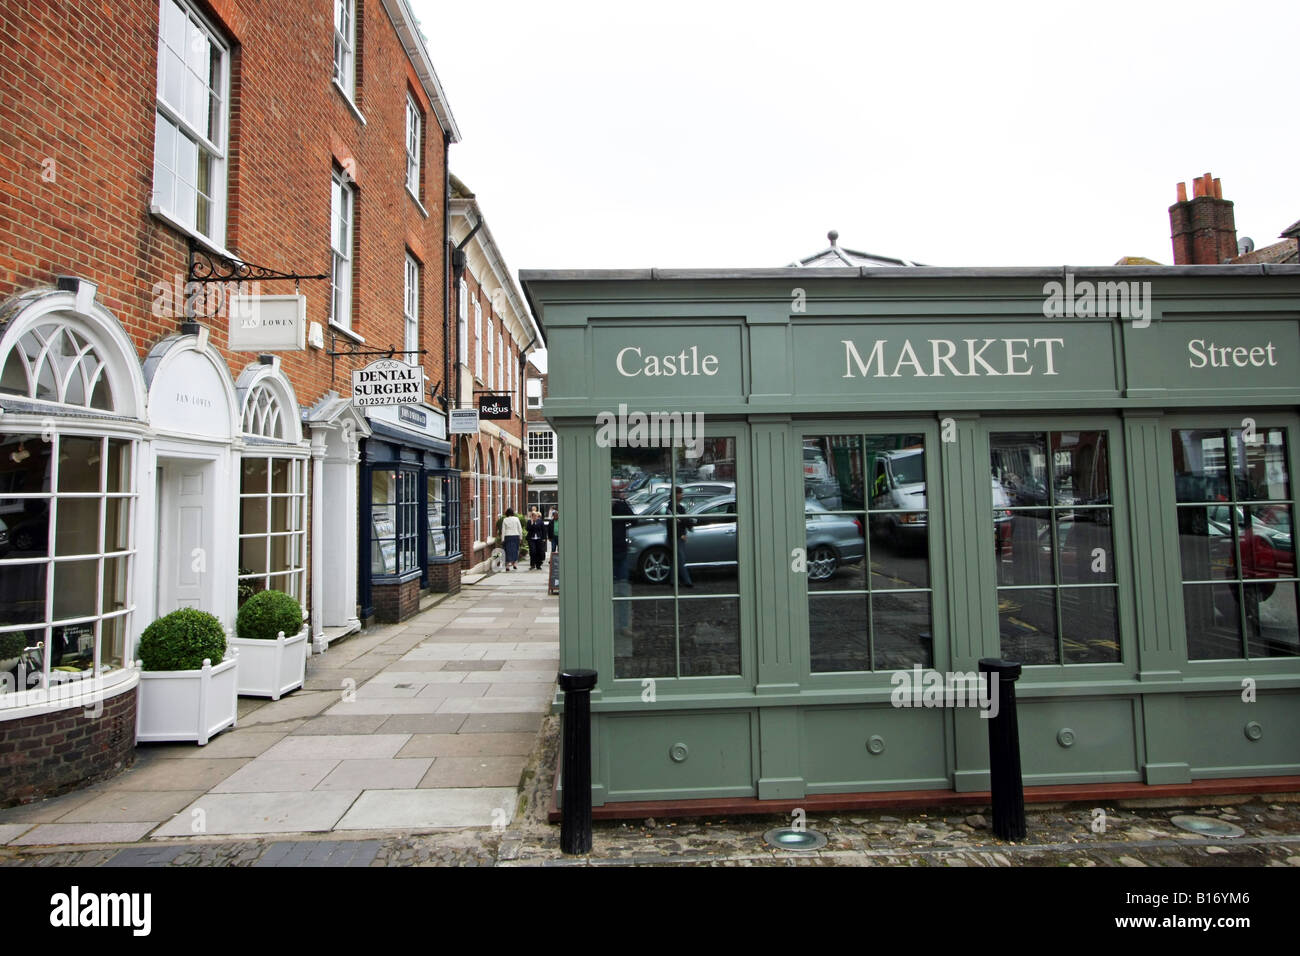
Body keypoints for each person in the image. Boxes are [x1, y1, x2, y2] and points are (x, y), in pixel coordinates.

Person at [612, 489, 635, 631]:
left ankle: (618, 624)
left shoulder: (616, 506)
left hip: (613, 550)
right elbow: (634, 519)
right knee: (622, 589)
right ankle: (622, 624)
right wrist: (624, 503)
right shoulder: (620, 506)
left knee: (616, 589)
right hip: (619, 550)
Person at [673, 486, 693, 588]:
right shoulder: (674, 508)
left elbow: (682, 521)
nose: (682, 495)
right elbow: (676, 523)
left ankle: (673, 580)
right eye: (680, 493)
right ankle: (687, 581)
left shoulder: (678, 507)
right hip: (678, 536)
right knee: (680, 559)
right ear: (676, 495)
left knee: (677, 559)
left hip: (679, 535)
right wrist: (681, 534)